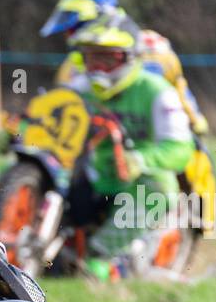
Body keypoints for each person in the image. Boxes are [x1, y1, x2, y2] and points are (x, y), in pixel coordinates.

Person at [68, 14, 195, 276]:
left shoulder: (156, 91)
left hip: (132, 182)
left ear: (130, 57)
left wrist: (141, 160)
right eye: (92, 58)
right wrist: (20, 135)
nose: (99, 67)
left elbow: (181, 148)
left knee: (159, 187)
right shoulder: (76, 90)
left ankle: (102, 257)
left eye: (108, 58)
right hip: (86, 175)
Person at [39, 0, 208, 135]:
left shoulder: (154, 49)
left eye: (75, 27)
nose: (70, 36)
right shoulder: (71, 66)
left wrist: (194, 120)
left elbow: (176, 87)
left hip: (160, 135)